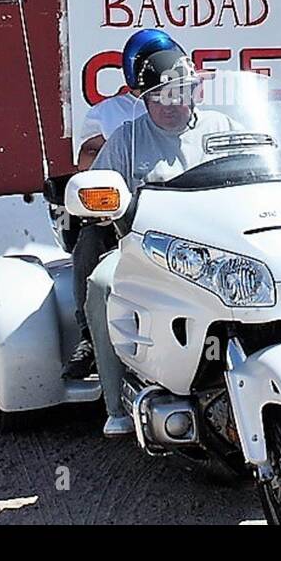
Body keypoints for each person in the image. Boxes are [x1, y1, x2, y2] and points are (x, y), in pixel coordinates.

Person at [83, 50, 234, 436]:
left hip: (221, 248)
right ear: (145, 98)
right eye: (158, 95)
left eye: (178, 92)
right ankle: (115, 403)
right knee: (101, 286)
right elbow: (98, 186)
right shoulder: (127, 139)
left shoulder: (222, 127)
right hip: (145, 252)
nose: (169, 103)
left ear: (193, 92)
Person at [63, 30, 184, 381]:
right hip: (129, 221)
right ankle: (89, 336)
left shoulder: (201, 118)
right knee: (91, 241)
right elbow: (88, 163)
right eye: (150, 65)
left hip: (192, 220)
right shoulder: (109, 115)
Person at [75, 29, 173, 169]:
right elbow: (89, 163)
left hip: (178, 186)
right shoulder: (106, 112)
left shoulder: (182, 107)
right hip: (129, 187)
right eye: (153, 65)